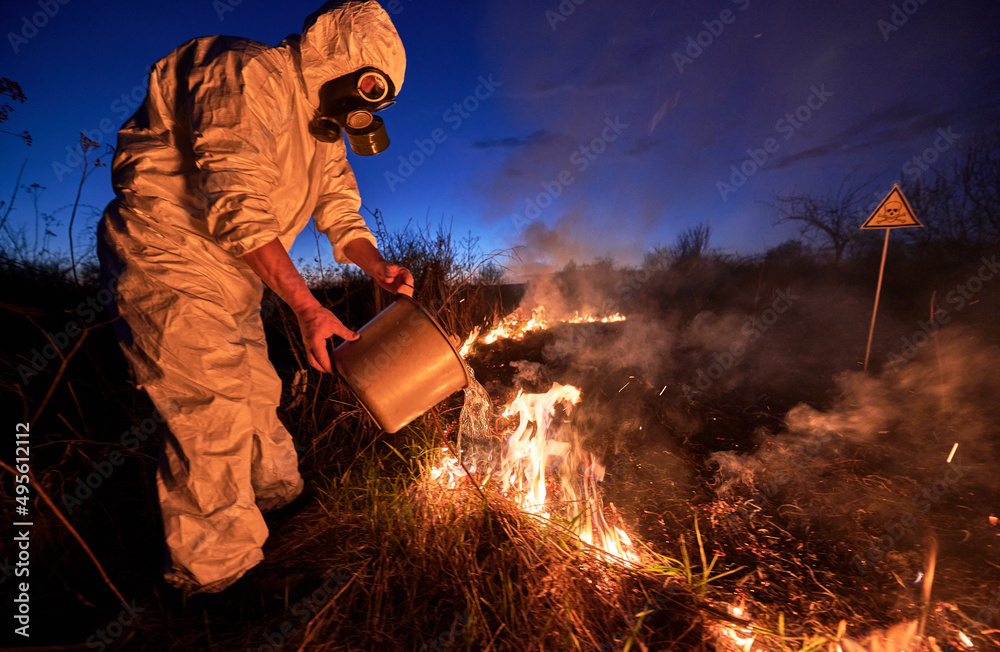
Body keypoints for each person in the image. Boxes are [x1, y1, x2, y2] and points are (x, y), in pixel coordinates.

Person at [97, 0, 413, 594]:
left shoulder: (322, 127)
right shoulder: (243, 73)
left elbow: (340, 211)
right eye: (367, 89)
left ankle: (279, 506)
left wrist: (377, 267)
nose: (360, 110)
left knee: (256, 390)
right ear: (341, 62)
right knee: (209, 410)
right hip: (168, 251)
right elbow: (235, 201)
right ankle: (216, 580)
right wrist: (308, 307)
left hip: (235, 272)